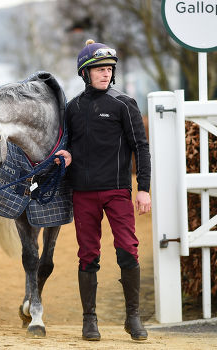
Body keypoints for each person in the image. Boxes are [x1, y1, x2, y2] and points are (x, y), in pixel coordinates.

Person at [55, 39, 151, 342]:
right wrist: (65, 155)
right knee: (88, 254)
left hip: (117, 191)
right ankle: (89, 320)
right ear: (85, 73)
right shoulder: (72, 108)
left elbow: (141, 148)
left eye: (109, 69)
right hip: (83, 194)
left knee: (127, 248)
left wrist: (143, 189)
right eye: (99, 69)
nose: (105, 73)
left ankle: (132, 317)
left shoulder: (124, 103)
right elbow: (65, 146)